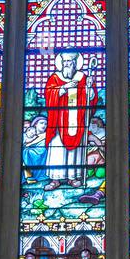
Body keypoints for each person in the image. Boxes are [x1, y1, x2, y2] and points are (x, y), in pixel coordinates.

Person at [44, 53, 97, 190]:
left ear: (75, 63)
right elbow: (49, 94)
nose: (67, 63)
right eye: (65, 61)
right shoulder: (54, 78)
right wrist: (63, 88)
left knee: (75, 151)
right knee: (57, 150)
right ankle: (55, 179)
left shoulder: (83, 78)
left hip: (77, 118)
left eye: (70, 61)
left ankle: (73, 177)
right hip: (58, 120)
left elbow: (91, 97)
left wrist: (89, 89)